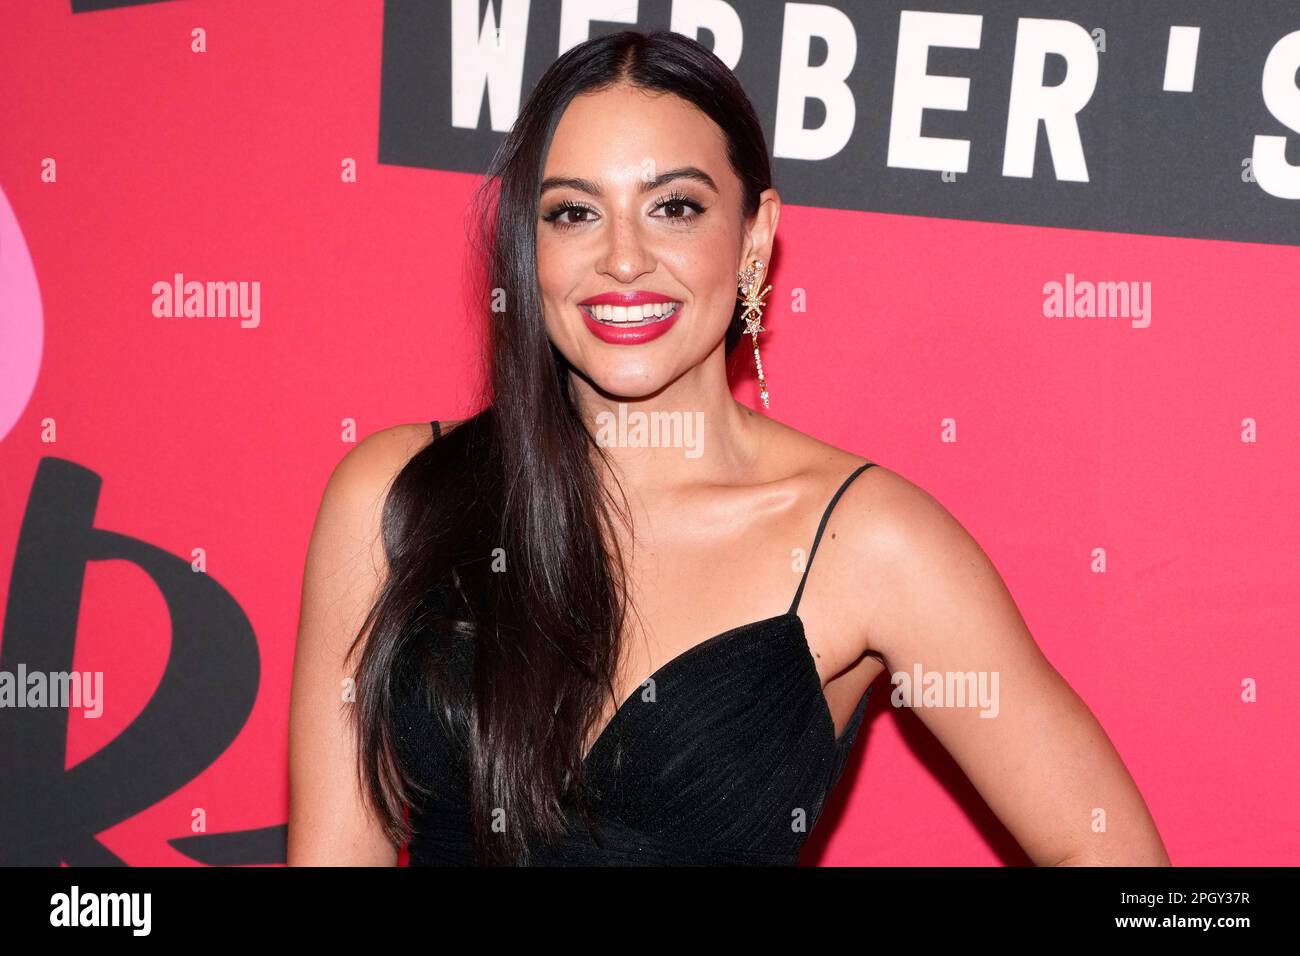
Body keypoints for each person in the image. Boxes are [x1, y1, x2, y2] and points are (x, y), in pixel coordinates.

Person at [287, 30, 1170, 867]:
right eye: (573, 212)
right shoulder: (396, 496)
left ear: (753, 237)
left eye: (674, 207)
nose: (623, 259)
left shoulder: (865, 544)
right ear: (528, 245)